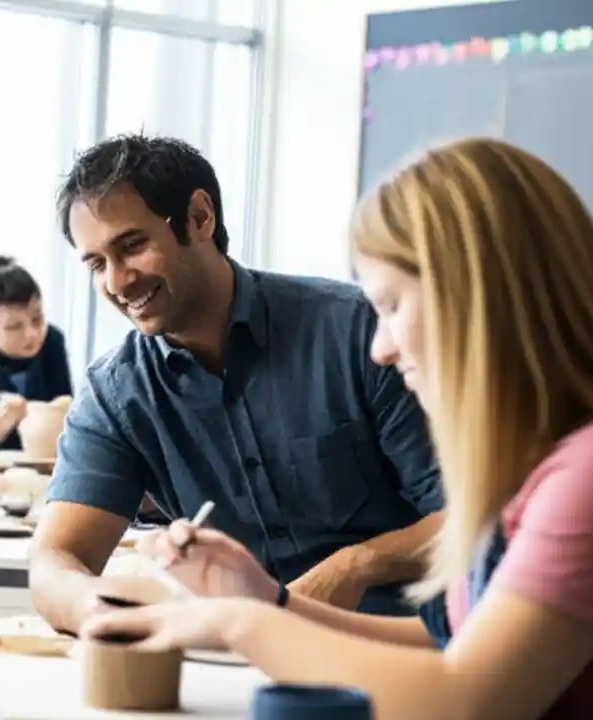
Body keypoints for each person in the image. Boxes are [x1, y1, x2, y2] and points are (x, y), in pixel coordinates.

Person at [84, 138, 593, 720]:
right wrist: (264, 597)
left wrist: (236, 622)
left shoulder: (583, 480)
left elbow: (466, 697)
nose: (380, 348)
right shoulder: (542, 472)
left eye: (393, 306)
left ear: (482, 298)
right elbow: (449, 642)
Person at [30, 133, 444, 632]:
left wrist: (356, 564)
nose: (118, 282)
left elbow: (474, 520)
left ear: (200, 217)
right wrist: (98, 610)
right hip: (242, 661)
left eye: (132, 246)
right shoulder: (117, 394)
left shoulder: (361, 334)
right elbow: (54, 564)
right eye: (97, 264)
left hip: (409, 653)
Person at [0, 256, 72, 451]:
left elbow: (64, 405)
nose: (32, 335)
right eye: (14, 327)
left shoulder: (52, 340)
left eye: (37, 320)